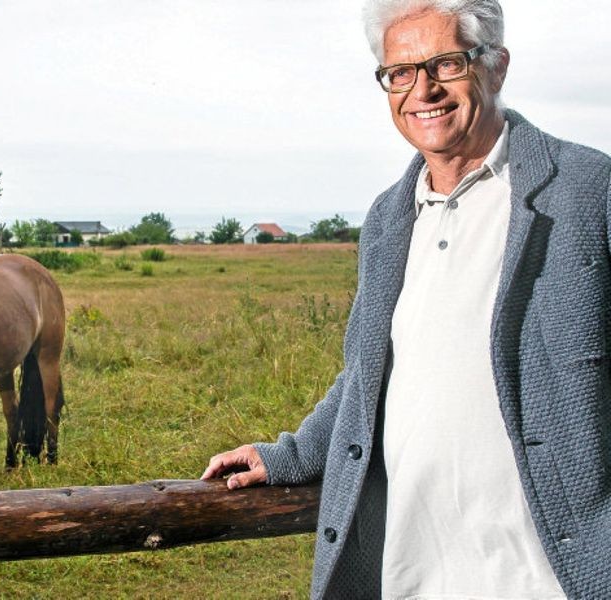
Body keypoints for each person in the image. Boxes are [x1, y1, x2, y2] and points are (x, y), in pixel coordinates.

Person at [201, 1, 611, 598]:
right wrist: (296, 453)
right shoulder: (389, 218)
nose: (423, 90)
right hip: (413, 569)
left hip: (552, 577)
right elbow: (370, 373)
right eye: (400, 72)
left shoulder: (589, 191)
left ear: (495, 66)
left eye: (446, 64)